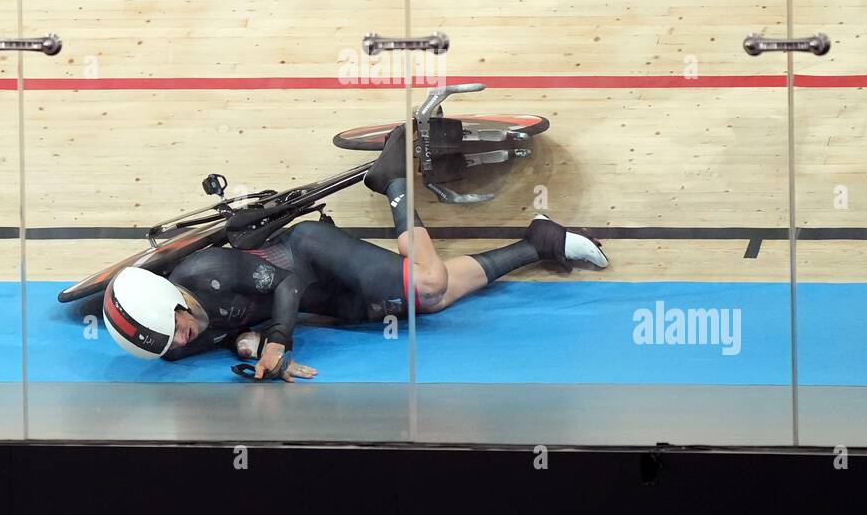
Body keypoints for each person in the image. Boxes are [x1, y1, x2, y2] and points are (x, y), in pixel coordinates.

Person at [103, 126, 607, 380]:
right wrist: (252, 352)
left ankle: (393, 183)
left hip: (311, 257)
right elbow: (225, 339)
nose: (183, 341)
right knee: (427, 301)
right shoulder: (170, 341)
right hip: (319, 300)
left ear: (172, 300)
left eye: (180, 331)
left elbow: (284, 285)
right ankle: (539, 242)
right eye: (173, 344)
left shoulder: (207, 271)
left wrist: (277, 340)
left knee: (427, 283)